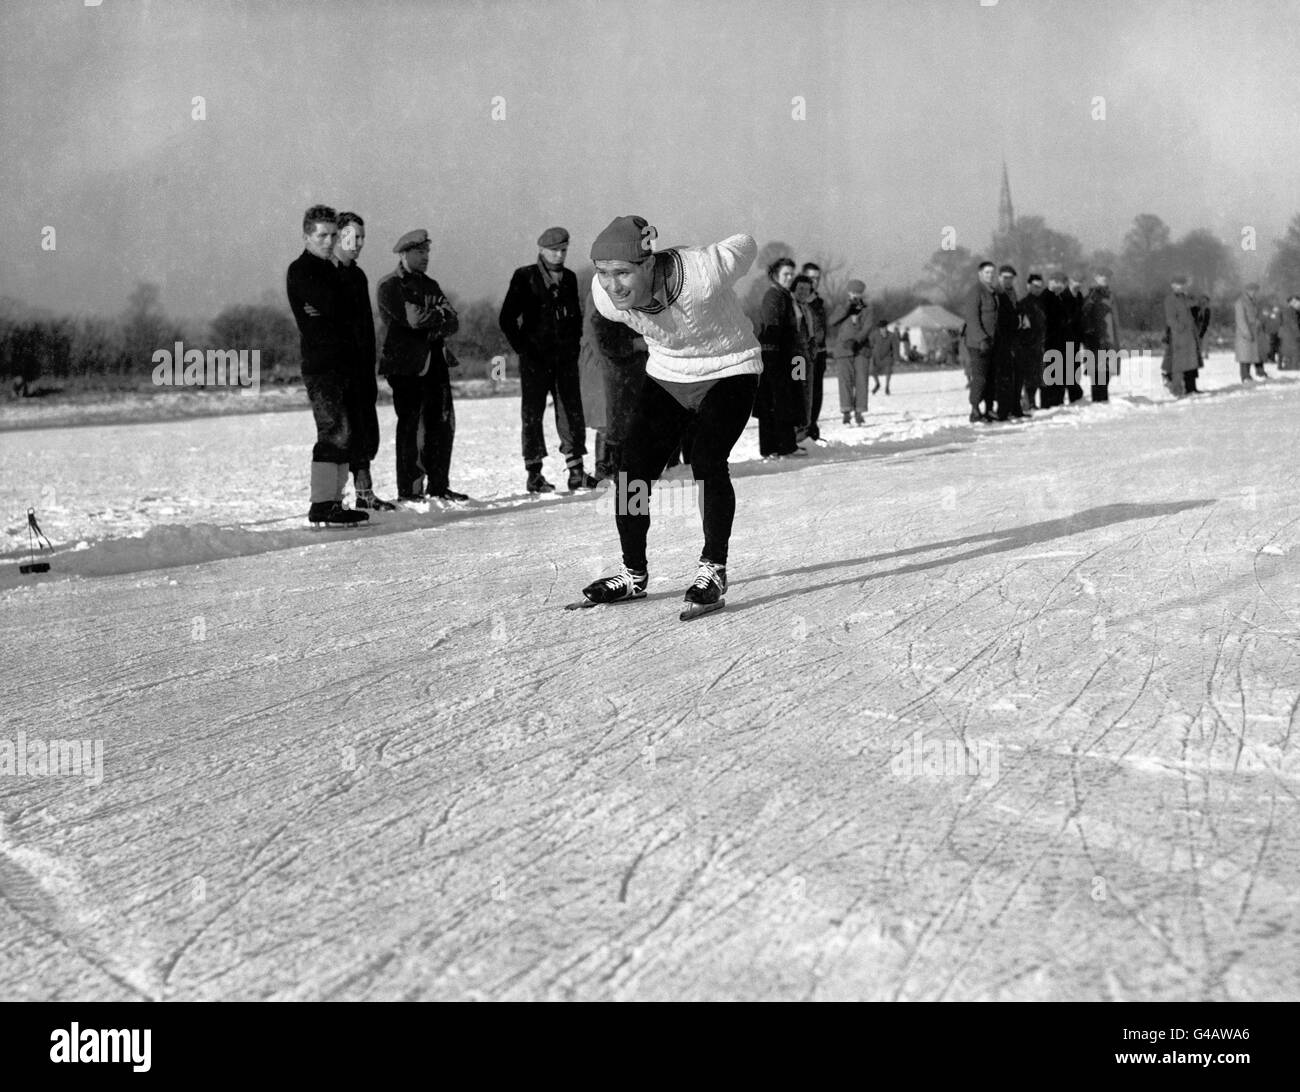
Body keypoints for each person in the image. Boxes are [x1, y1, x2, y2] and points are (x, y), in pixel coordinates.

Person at [580, 216, 762, 613]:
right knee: (630, 472)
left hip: (730, 368)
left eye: (623, 273)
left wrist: (707, 255)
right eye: (604, 273)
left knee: (707, 458)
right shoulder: (604, 298)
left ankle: (713, 567)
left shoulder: (703, 271)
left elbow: (745, 242)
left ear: (648, 263)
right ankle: (633, 574)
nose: (614, 285)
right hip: (669, 374)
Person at [286, 204, 368, 527]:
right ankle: (322, 504)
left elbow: (345, 312)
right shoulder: (301, 270)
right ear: (307, 236)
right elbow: (333, 309)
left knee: (345, 433)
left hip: (345, 364)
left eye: (333, 235)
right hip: (322, 366)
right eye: (322, 235)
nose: (329, 241)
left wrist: (332, 309)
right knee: (333, 431)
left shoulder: (335, 271)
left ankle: (335, 501)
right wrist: (332, 309)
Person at [499, 227, 596, 493]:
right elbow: (506, 318)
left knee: (571, 412)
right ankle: (534, 473)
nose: (559, 254)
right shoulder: (525, 277)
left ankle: (576, 471)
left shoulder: (570, 278)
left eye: (564, 249)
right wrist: (524, 349)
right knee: (532, 415)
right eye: (554, 249)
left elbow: (575, 317)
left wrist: (574, 348)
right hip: (535, 362)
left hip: (564, 359)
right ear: (541, 250)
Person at [376, 229, 467, 503]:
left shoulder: (430, 284)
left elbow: (453, 321)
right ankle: (411, 490)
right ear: (404, 254)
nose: (426, 257)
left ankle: (439, 486)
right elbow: (412, 318)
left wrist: (437, 316)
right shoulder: (390, 285)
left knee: (442, 424)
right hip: (406, 367)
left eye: (427, 251)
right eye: (419, 252)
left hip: (437, 362)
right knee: (412, 428)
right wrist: (437, 316)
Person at [333, 212, 394, 511]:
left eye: (362, 238)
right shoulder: (327, 275)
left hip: (361, 369)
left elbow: (365, 329)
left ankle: (365, 493)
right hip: (336, 371)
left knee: (365, 431)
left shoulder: (358, 275)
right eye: (352, 237)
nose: (358, 243)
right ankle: (331, 499)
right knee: (340, 436)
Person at [579, 280, 649, 482]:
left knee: (618, 417)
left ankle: (614, 465)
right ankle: (606, 466)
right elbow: (598, 336)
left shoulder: (620, 290)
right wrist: (633, 345)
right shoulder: (600, 295)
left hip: (620, 363)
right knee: (608, 418)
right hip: (606, 364)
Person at [754, 258, 804, 456]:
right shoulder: (774, 295)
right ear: (775, 275)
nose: (790, 277)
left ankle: (784, 444)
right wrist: (773, 356)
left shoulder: (785, 295)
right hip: (775, 356)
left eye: (792, 274)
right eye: (786, 274)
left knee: (786, 400)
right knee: (775, 402)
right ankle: (777, 447)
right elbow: (772, 327)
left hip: (789, 356)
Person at [828, 279, 872, 425]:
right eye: (853, 292)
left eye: (858, 293)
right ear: (848, 292)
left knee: (861, 381)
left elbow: (867, 327)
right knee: (845, 381)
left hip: (861, 349)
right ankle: (846, 412)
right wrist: (847, 308)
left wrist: (857, 340)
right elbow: (832, 322)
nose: (855, 295)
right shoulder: (842, 307)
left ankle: (859, 412)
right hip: (843, 350)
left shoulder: (867, 309)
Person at [963, 261, 999, 423]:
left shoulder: (994, 292)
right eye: (986, 273)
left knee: (992, 377)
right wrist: (981, 338)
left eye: (992, 272)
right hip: (978, 344)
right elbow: (972, 318)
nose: (990, 275)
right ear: (980, 274)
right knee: (980, 378)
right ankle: (975, 409)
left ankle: (989, 409)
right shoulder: (975, 292)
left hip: (993, 342)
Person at [1081, 268, 1121, 402]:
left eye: (1107, 276)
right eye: (1101, 275)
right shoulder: (1092, 295)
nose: (1104, 278)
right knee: (1098, 373)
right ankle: (1098, 402)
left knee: (1107, 371)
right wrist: (1092, 336)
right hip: (1098, 339)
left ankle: (1102, 400)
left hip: (1111, 339)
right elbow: (1085, 315)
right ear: (1095, 278)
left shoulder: (1110, 295)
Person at [800, 263, 829, 442]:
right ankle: (801, 432)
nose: (815, 281)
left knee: (817, 392)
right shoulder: (798, 300)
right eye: (811, 278)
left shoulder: (818, 301)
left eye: (818, 278)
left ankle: (812, 428)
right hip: (802, 356)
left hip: (820, 353)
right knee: (802, 392)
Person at [790, 272, 817, 438]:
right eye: (800, 288)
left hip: (806, 356)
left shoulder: (807, 309)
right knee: (797, 389)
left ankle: (803, 428)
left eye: (807, 289)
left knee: (806, 391)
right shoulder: (791, 306)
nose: (803, 292)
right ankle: (796, 429)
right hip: (796, 357)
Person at [1163, 275, 1199, 397]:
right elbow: (1170, 319)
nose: (1181, 287)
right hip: (1178, 336)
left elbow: (1196, 304)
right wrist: (1180, 328)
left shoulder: (1185, 298)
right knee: (1178, 364)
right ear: (1172, 285)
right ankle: (1176, 389)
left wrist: (1190, 295)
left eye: (1183, 284)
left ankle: (1191, 388)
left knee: (1191, 362)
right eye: (1178, 284)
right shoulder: (1170, 299)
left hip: (1189, 335)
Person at [1017, 272, 1047, 412]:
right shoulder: (1023, 304)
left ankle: (1033, 402)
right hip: (1027, 345)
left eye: (1040, 287)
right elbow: (1021, 326)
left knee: (1038, 376)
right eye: (1035, 286)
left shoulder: (1043, 303)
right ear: (1028, 286)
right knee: (1029, 376)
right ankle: (1029, 402)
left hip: (1040, 344)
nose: (1037, 289)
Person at [1063, 273, 1087, 403]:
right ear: (1069, 281)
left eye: (1080, 281)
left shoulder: (1079, 296)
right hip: (1065, 338)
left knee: (1075, 366)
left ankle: (1075, 394)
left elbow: (1081, 318)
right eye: (1075, 281)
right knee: (1066, 367)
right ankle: (1074, 392)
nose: (1078, 284)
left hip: (1076, 338)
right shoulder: (1064, 297)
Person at [1235, 282, 1266, 382]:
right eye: (1252, 291)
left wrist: (1258, 323)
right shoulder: (1240, 302)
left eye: (1255, 291)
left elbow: (1254, 316)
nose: (1254, 293)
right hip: (1245, 333)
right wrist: (1246, 333)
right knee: (1245, 356)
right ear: (1247, 291)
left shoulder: (1253, 301)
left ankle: (1260, 372)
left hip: (1255, 331)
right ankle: (1245, 376)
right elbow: (1240, 319)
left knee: (1255, 353)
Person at [869, 320, 898, 395]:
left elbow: (895, 348)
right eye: (881, 328)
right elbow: (870, 345)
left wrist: (895, 358)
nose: (883, 330)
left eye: (884, 328)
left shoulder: (892, 336)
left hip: (887, 357)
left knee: (888, 371)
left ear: (886, 327)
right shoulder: (874, 335)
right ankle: (877, 384)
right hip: (876, 357)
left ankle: (887, 387)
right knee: (872, 370)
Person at [1280, 293, 1300, 371]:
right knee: (1293, 351)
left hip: (1289, 334)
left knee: (1290, 351)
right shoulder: (1289, 311)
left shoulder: (1293, 310)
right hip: (1290, 334)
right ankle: (1292, 367)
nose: (1298, 304)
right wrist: (1298, 335)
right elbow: (1293, 324)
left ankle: (1290, 366)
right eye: (1296, 302)